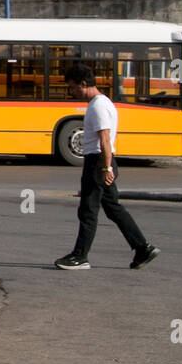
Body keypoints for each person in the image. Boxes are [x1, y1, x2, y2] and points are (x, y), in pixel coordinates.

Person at [55, 65, 160, 270]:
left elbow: (104, 138)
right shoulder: (103, 102)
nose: (72, 92)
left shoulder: (98, 105)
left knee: (88, 210)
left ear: (84, 84)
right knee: (113, 208)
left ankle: (80, 256)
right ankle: (143, 248)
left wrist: (106, 168)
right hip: (102, 161)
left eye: (73, 88)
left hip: (98, 162)